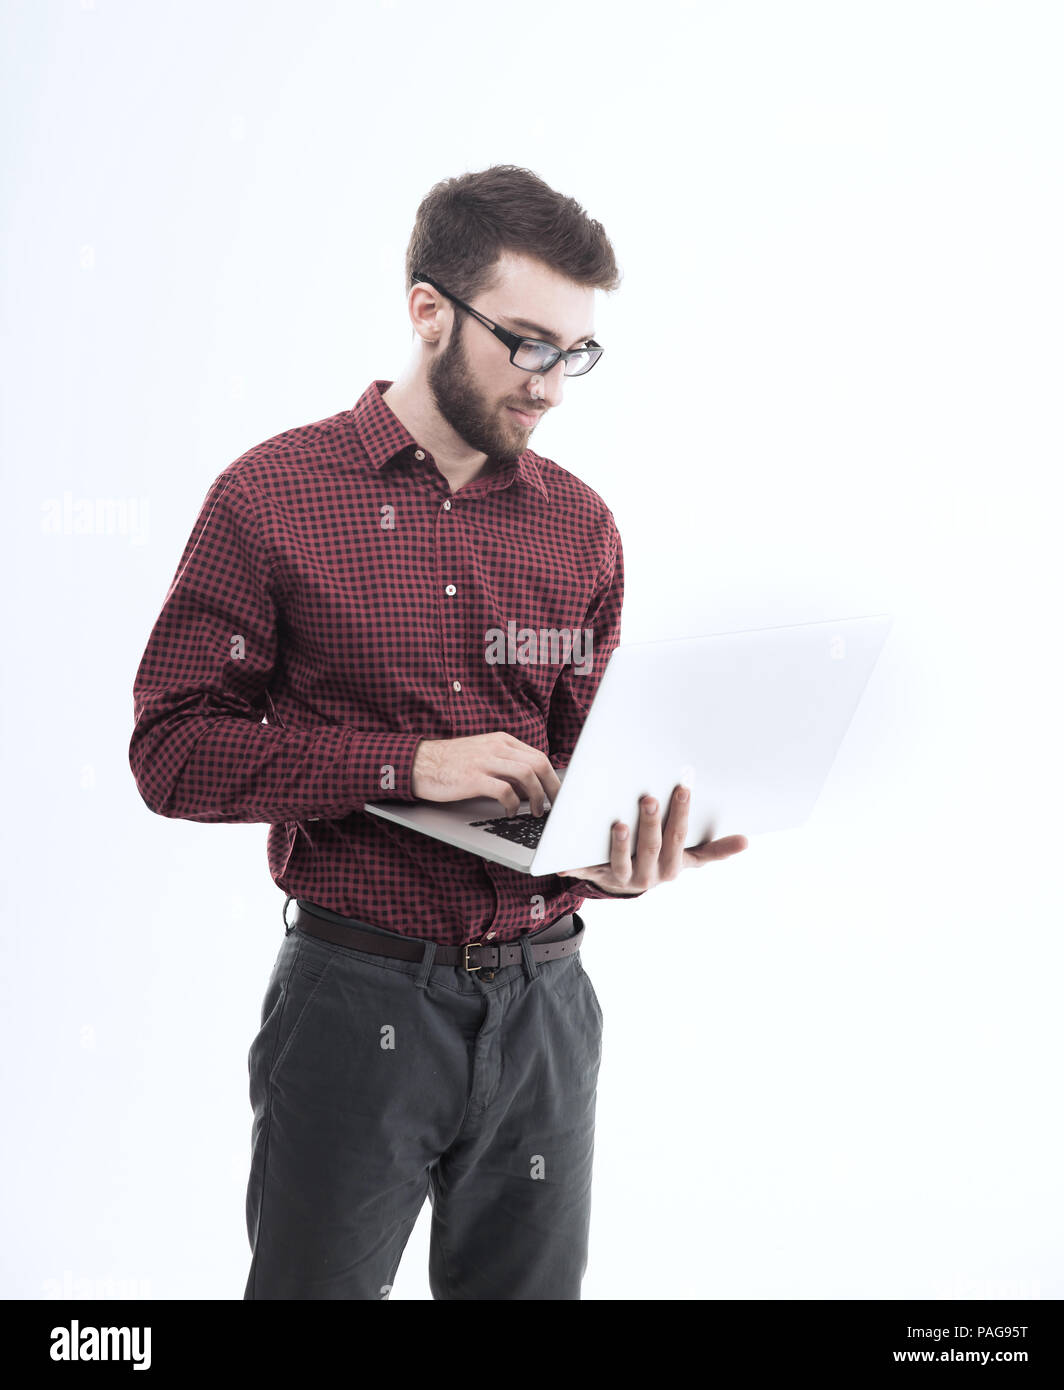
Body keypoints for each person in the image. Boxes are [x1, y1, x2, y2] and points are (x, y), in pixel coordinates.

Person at [128, 164, 748, 1300]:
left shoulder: (581, 526)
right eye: (526, 342)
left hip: (550, 1006)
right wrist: (405, 763)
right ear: (428, 310)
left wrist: (625, 854)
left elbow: (573, 776)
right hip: (357, 995)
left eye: (576, 351)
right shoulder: (269, 499)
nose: (552, 384)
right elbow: (171, 748)